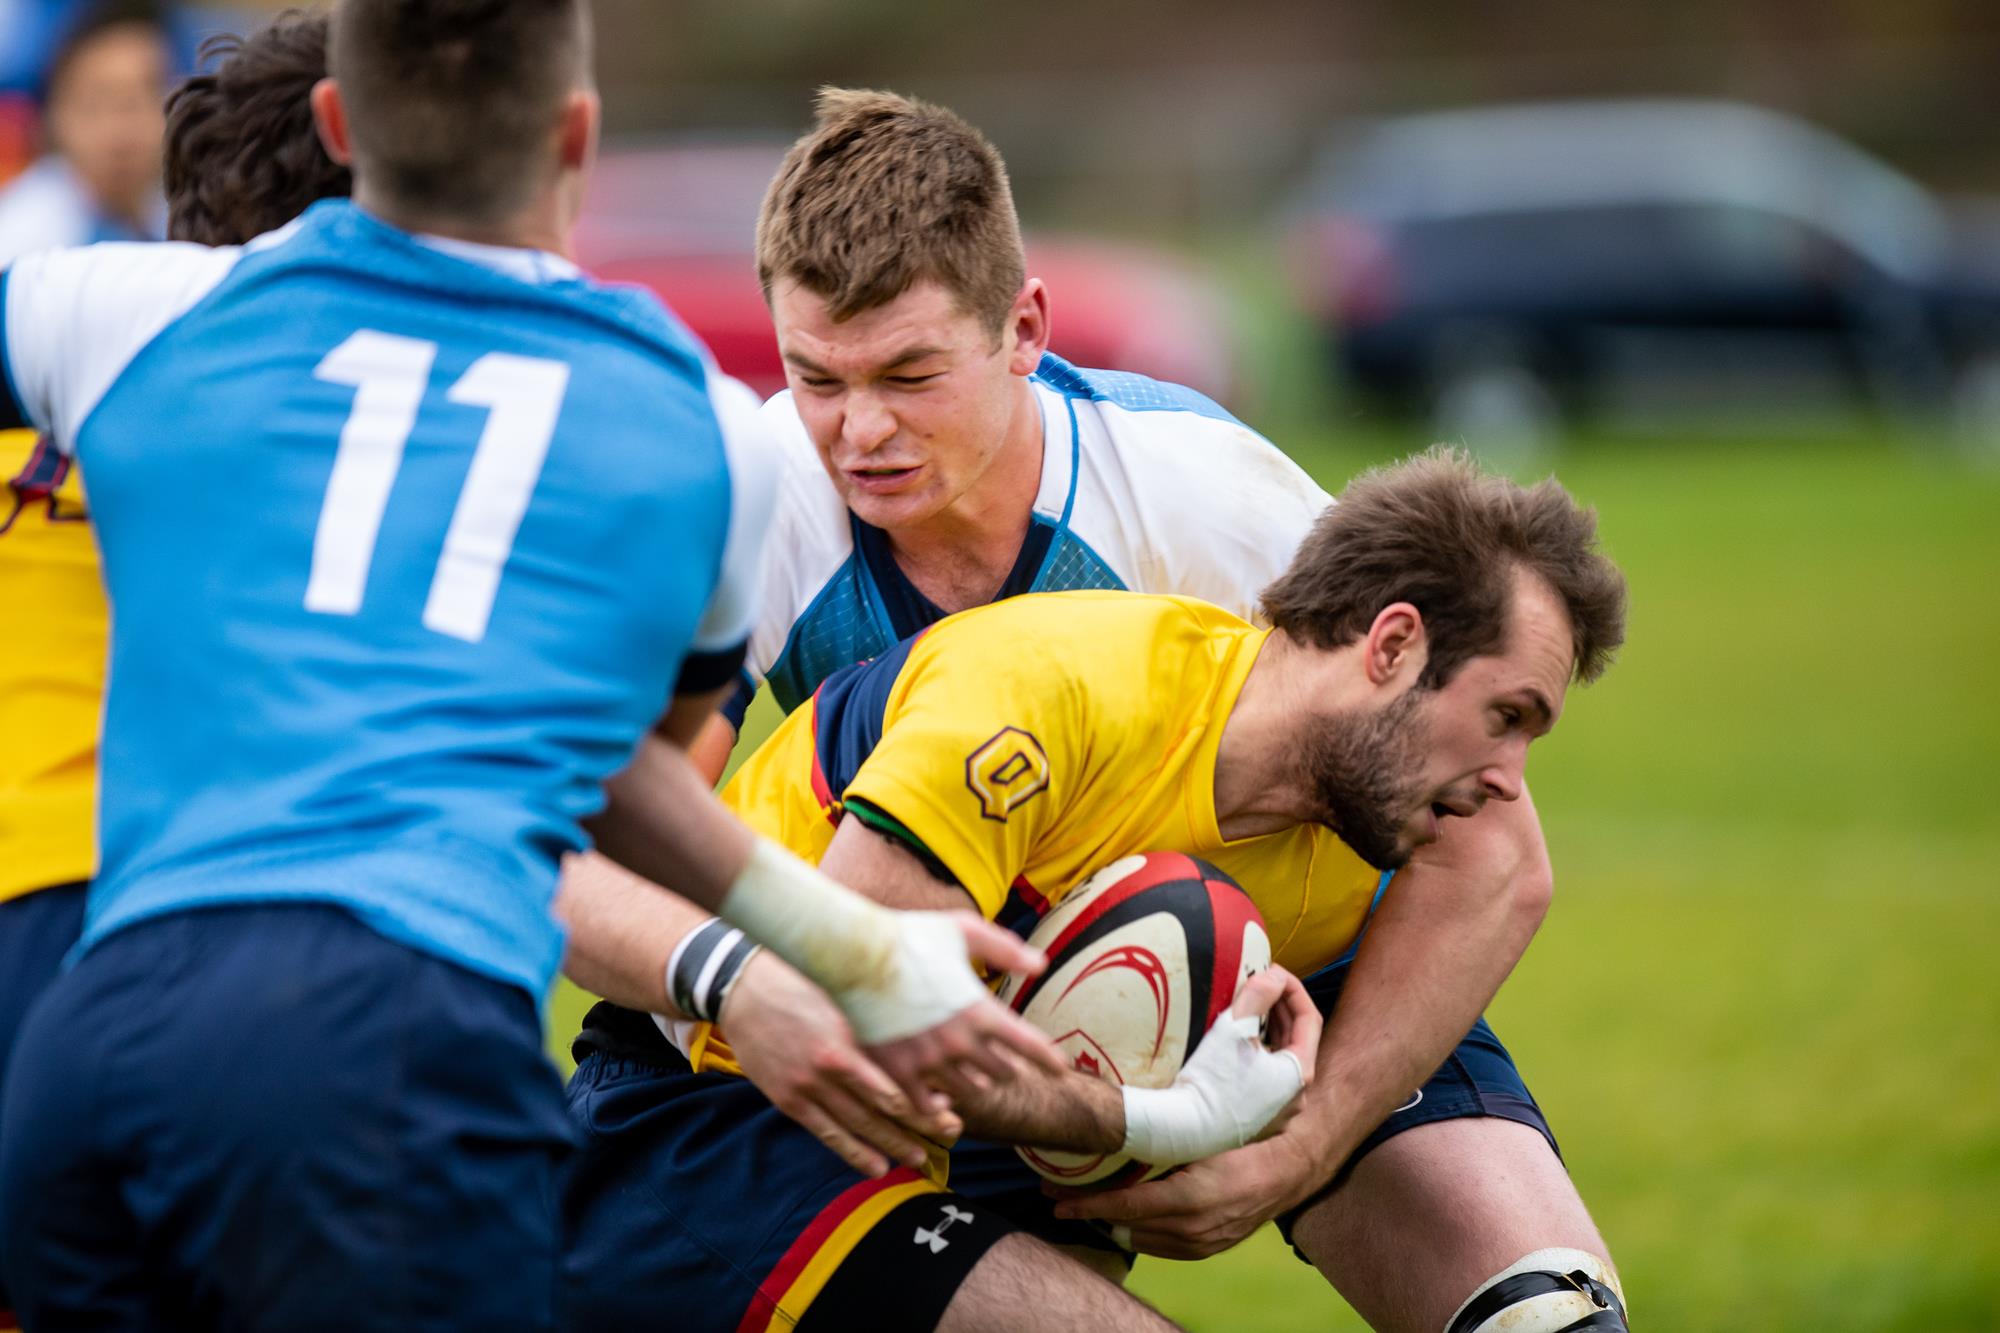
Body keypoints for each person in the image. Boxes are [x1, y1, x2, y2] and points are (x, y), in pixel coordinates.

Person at [0, 5, 1052, 1327]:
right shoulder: (700, 429)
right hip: (394, 1043)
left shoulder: (123, 308)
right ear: (578, 135)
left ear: (340, 123)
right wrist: (855, 950)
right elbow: (619, 780)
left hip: (91, 1045)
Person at [559, 89, 1628, 1332]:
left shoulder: (1200, 499)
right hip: (937, 969)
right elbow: (582, 854)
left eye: (910, 374)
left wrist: (1303, 1136)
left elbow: (1486, 847)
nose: (859, 430)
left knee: (1540, 1318)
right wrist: (740, 982)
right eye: (814, 377)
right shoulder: (750, 506)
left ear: (1023, 329)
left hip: (1275, 948)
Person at [0, 0, 170, 262]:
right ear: (55, 116)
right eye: (96, 105)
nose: (120, 133)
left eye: (134, 104)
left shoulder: (180, 221)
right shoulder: (19, 241)